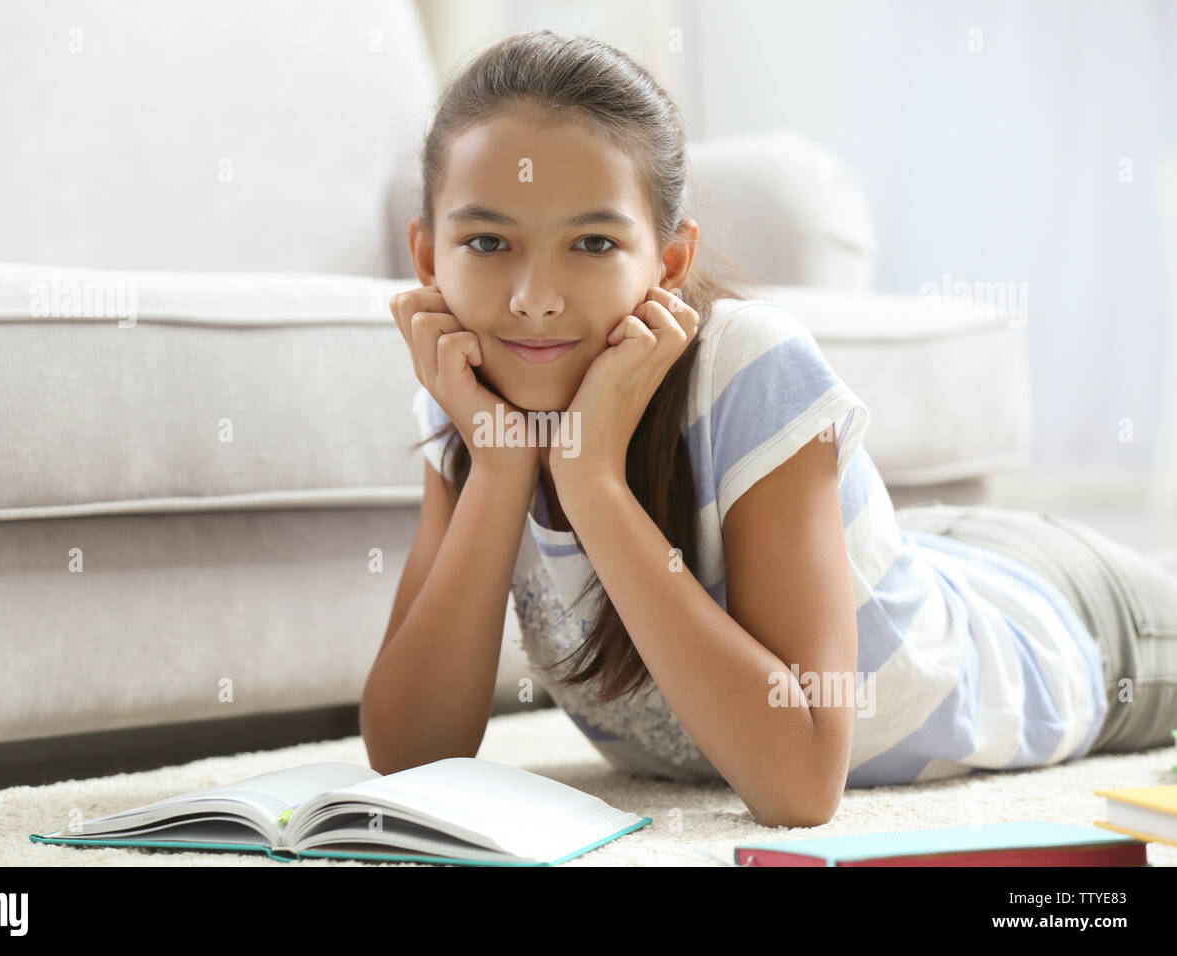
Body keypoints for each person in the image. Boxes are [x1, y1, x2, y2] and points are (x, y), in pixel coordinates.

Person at [360, 29, 1177, 829]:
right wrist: (503, 470)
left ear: (670, 264)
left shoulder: (751, 364)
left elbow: (798, 787)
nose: (534, 297)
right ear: (428, 258)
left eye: (594, 242)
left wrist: (591, 481)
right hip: (912, 554)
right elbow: (409, 757)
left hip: (1075, 627)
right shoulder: (467, 389)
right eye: (489, 241)